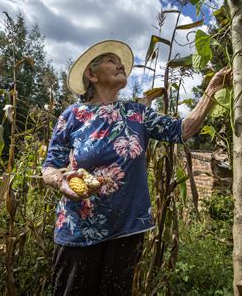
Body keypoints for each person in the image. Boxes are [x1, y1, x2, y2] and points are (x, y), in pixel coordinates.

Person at [42, 40, 231, 295]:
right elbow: (50, 166)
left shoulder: (137, 114)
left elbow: (181, 130)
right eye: (111, 60)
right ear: (92, 74)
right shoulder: (73, 116)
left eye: (119, 61)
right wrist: (60, 181)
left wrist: (212, 90)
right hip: (79, 228)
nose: (120, 64)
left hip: (126, 229)